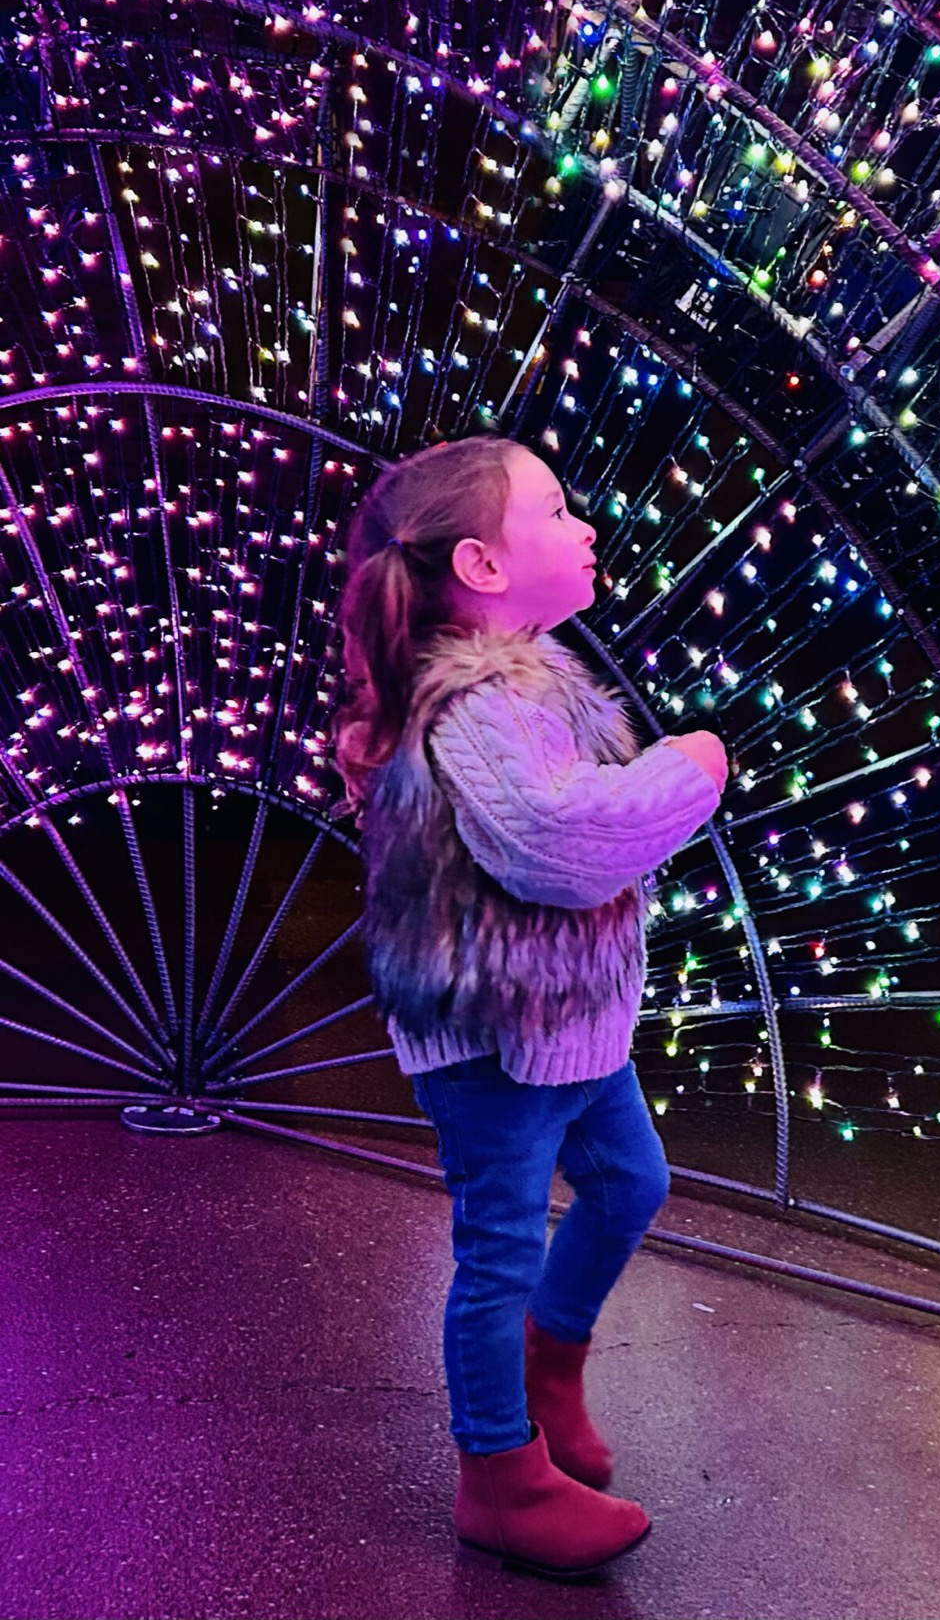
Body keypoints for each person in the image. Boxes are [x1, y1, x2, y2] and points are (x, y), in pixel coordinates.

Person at [330, 435, 727, 1578]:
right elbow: (566, 842)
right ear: (484, 567)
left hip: (565, 1020)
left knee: (629, 1180)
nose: (586, 527)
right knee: (498, 1243)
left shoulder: (531, 678)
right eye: (556, 510)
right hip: (497, 1036)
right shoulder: (477, 710)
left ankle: (550, 1365)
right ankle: (496, 1474)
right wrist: (687, 766)